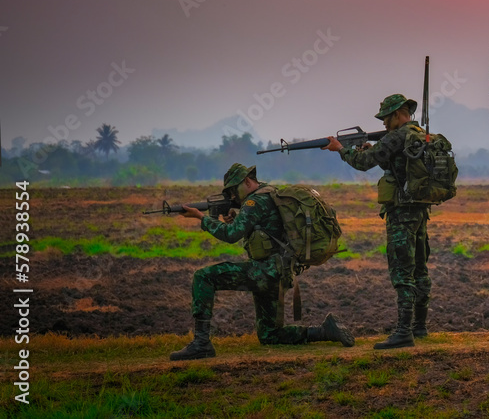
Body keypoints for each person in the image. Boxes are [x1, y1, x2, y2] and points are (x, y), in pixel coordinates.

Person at [170, 163, 354, 361]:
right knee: (270, 335)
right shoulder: (271, 193)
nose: (232, 196)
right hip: (279, 273)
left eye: (234, 189)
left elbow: (231, 235)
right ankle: (325, 332)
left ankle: (201, 343)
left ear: (247, 181)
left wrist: (201, 219)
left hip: (264, 272)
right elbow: (265, 228)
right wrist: (237, 218)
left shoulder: (253, 203)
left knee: (204, 277)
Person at [323, 94, 432, 350]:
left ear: (397, 114)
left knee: (402, 271)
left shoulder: (396, 136)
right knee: (419, 269)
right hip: (419, 210)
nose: (383, 123)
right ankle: (420, 326)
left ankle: (404, 332)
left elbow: (362, 164)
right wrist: (373, 151)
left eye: (385, 117)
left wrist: (341, 150)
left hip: (400, 213)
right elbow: (398, 164)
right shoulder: (419, 133)